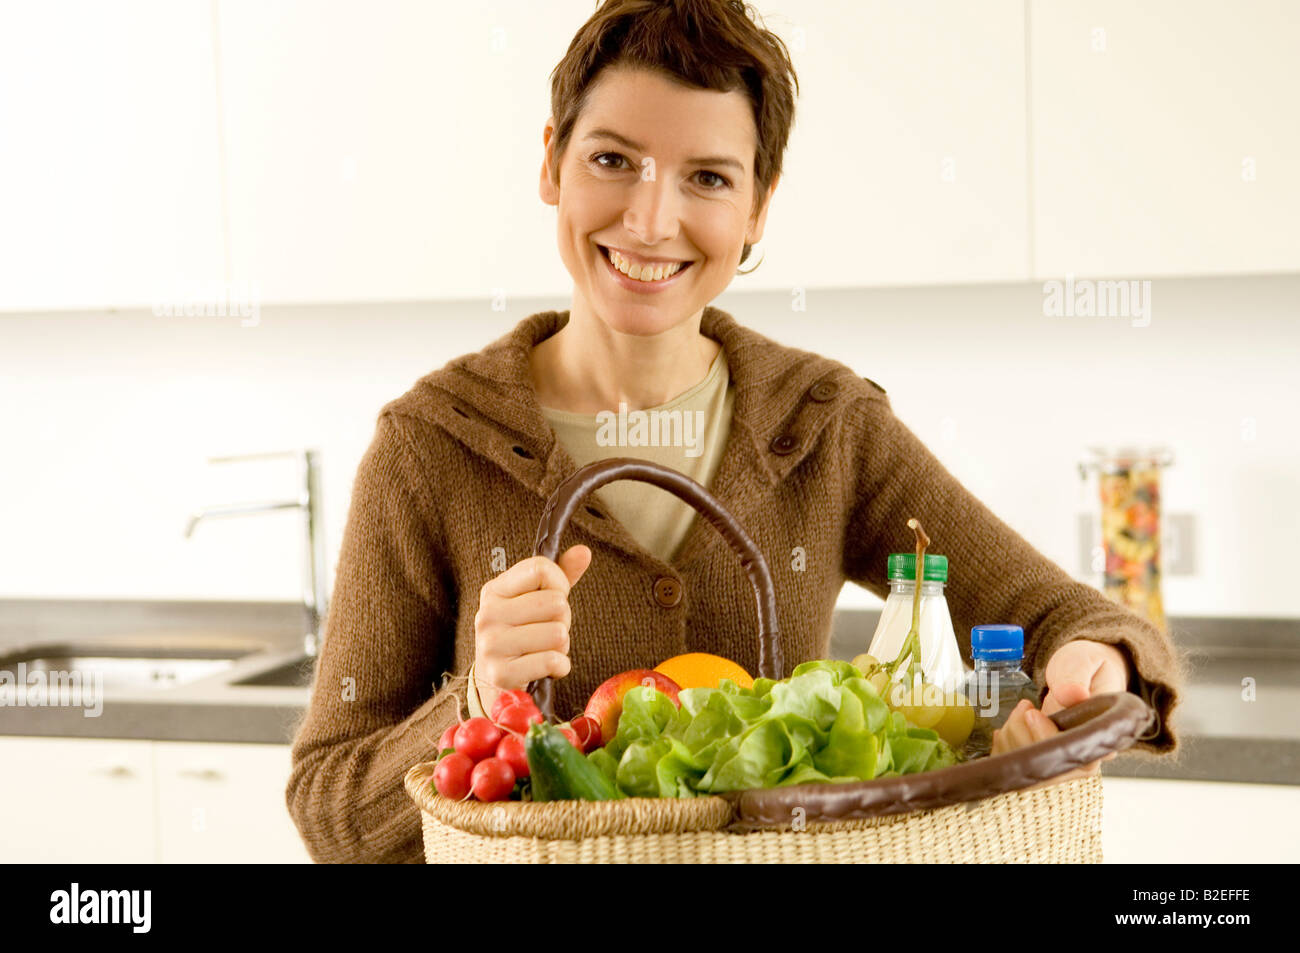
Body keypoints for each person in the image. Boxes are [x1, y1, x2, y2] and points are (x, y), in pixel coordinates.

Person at [286, 0, 1186, 864]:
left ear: (757, 206)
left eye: (708, 178)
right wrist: (477, 699)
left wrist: (1087, 662)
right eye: (612, 160)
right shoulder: (431, 447)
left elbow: (1066, 615)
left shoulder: (823, 423)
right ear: (552, 160)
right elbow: (332, 814)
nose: (650, 219)